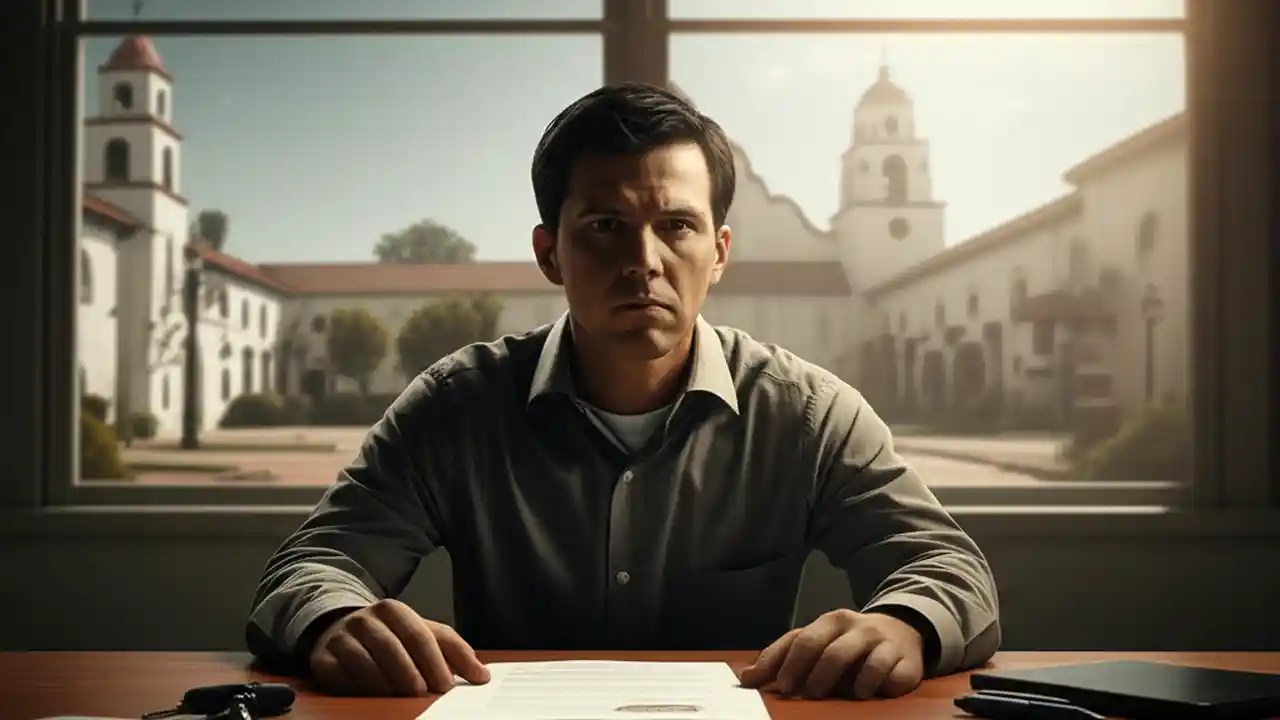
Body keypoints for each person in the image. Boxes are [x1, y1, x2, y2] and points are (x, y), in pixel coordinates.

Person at [245, 82, 1000, 701]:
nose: (644, 260)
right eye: (605, 226)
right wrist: (333, 620)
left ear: (720, 252)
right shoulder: (455, 407)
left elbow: (949, 571)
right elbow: (311, 567)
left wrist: (905, 623)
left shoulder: (807, 413)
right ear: (550, 253)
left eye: (676, 225)